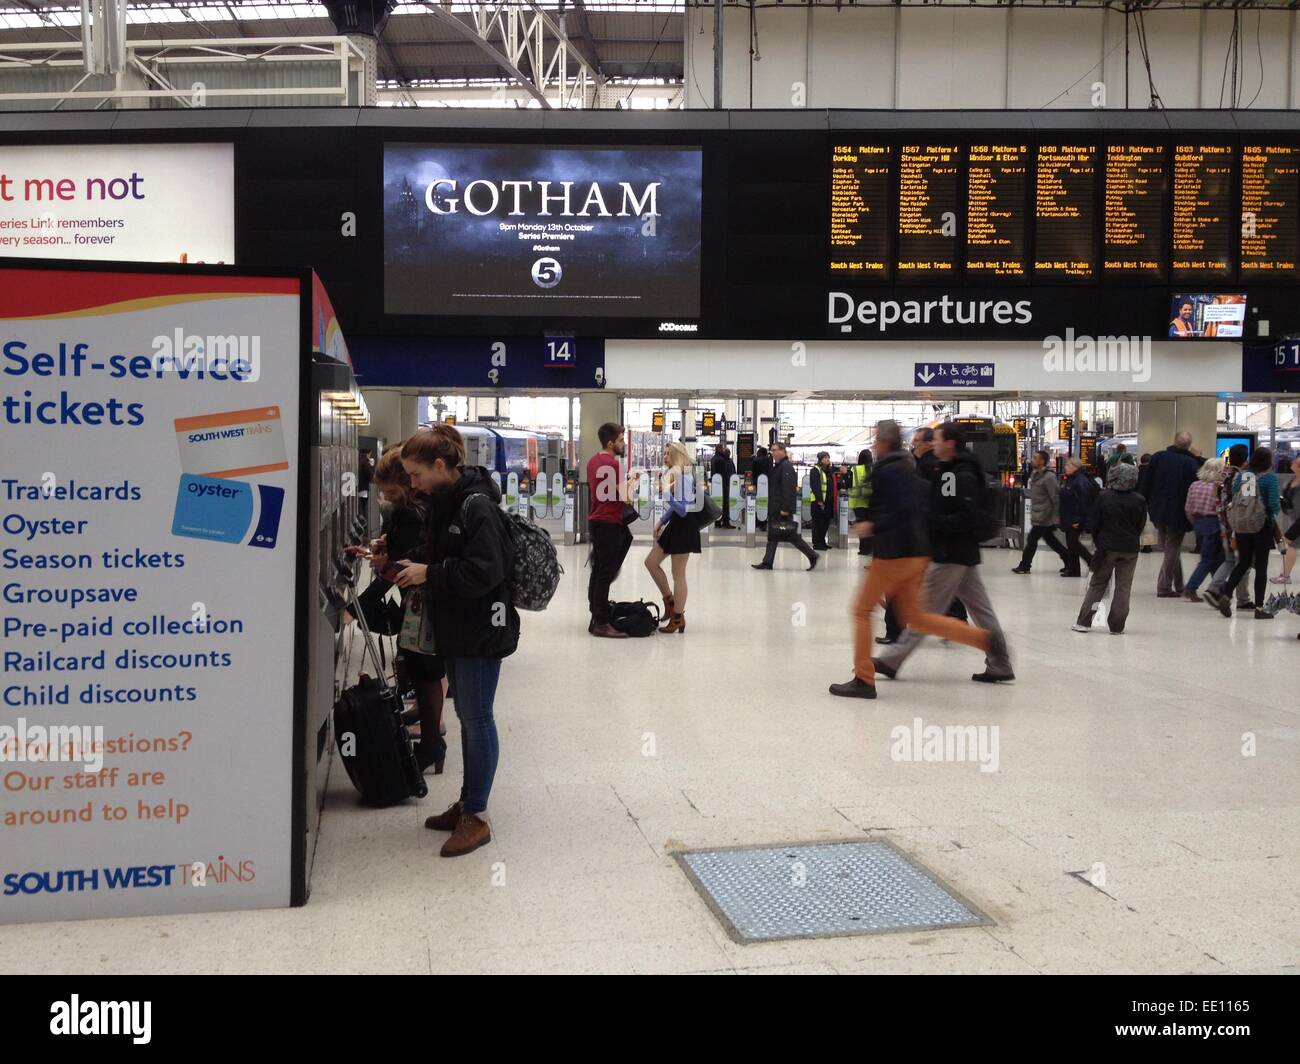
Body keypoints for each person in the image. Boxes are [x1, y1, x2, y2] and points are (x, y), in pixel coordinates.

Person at [395, 425, 520, 859]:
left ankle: (478, 817)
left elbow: (485, 571)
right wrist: (410, 564)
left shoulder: (476, 506)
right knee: (468, 716)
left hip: (482, 629)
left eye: (416, 474)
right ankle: (468, 801)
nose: (412, 483)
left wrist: (430, 573)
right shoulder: (446, 503)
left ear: (440, 466)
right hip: (460, 627)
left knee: (477, 718)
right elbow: (450, 559)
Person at [829, 420, 1003, 700]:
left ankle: (863, 678)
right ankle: (982, 638)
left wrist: (872, 526)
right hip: (917, 554)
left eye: (876, 440)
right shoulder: (911, 467)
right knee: (915, 617)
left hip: (893, 554)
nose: (874, 445)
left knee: (861, 611)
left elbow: (899, 511)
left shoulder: (888, 470)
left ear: (884, 443)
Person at [872, 421, 1014, 685]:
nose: (933, 444)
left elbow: (963, 515)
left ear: (950, 443)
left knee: (922, 612)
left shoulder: (959, 474)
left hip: (951, 552)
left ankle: (891, 660)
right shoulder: (953, 469)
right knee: (982, 611)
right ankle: (1000, 662)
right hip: (963, 553)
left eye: (936, 439)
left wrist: (932, 523)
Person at [353, 446, 446, 773]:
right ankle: (432, 739)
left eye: (393, 491)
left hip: (423, 600)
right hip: (423, 598)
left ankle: (433, 744)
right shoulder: (417, 510)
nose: (388, 498)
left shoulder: (413, 513)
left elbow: (399, 566)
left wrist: (360, 604)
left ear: (408, 483)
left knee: (425, 670)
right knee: (421, 669)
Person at [1073, 460, 1147, 634]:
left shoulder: (1103, 497)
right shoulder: (1139, 500)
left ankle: (1084, 622)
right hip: (1130, 548)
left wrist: (1099, 540)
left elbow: (1095, 522)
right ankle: (1117, 625)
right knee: (1124, 586)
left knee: (1098, 584)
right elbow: (1140, 524)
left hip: (1106, 547)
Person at [586, 422, 637, 639]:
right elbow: (624, 496)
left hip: (596, 520)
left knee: (598, 570)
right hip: (610, 522)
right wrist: (633, 482)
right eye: (621, 440)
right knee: (606, 572)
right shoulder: (615, 465)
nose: (623, 444)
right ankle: (602, 622)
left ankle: (596, 613)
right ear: (611, 443)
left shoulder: (592, 462)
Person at [1218, 447, 1282, 620]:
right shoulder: (1269, 479)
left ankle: (1226, 594)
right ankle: (1260, 608)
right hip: (1261, 528)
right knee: (1261, 568)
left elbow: (1236, 497)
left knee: (1243, 562)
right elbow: (1274, 505)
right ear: (1268, 461)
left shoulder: (1243, 476)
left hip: (1241, 526)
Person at [645, 440, 699, 633]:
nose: (665, 457)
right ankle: (670, 602)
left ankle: (678, 617)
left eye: (668, 454)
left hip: (684, 527)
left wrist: (667, 494)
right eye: (664, 453)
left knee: (678, 574)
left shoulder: (684, 477)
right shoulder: (676, 475)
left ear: (677, 455)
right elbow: (678, 509)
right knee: (651, 562)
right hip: (676, 525)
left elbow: (684, 510)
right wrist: (661, 521)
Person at [1137, 431, 1199, 596]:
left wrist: (1145, 504)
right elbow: (1192, 490)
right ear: (1189, 445)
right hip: (1178, 513)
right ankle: (1164, 587)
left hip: (1158, 509)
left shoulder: (1158, 457)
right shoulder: (1190, 463)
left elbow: (1146, 482)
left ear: (1174, 441)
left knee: (1171, 548)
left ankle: (1179, 585)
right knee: (1172, 548)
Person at [1202, 445, 1255, 614]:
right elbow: (1248, 502)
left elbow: (1216, 497)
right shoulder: (1246, 477)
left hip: (1223, 523)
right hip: (1239, 525)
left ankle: (1213, 589)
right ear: (1246, 458)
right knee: (1244, 562)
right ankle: (1243, 599)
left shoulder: (1222, 474)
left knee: (1230, 560)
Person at [752, 441, 818, 571]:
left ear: (783, 451)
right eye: (772, 450)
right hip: (776, 507)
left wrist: (785, 509)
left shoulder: (786, 467)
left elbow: (788, 489)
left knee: (791, 536)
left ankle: (812, 555)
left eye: (775, 450)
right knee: (773, 535)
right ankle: (767, 562)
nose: (773, 453)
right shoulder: (779, 466)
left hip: (781, 509)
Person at [1012, 450, 1069, 574]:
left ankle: (1025, 565)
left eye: (1035, 458)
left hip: (1045, 515)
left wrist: (1057, 515)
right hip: (1038, 513)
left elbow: (1055, 496)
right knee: (1051, 540)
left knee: (1032, 540)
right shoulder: (1035, 474)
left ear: (1042, 461)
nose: (1032, 460)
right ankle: (1068, 559)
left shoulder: (1049, 477)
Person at [1183, 457, 1226, 603]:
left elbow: (1188, 508)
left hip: (1199, 523)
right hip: (1214, 523)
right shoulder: (1219, 487)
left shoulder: (1194, 485)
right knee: (1208, 559)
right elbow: (1221, 509)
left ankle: (1218, 589)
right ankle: (1191, 587)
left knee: (1215, 558)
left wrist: (1195, 522)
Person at [1059, 456, 1096, 577]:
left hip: (1076, 517)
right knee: (1071, 543)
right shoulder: (1071, 479)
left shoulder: (1080, 481)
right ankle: (1074, 569)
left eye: (1068, 465)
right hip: (1070, 516)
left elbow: (1084, 501)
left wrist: (1079, 520)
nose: (1065, 467)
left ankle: (1092, 562)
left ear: (1075, 467)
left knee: (1073, 542)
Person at [1270, 453, 1300, 585]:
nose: (1292, 462)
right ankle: (1285, 575)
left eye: (1296, 462)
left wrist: (1290, 533)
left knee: (1292, 545)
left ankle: (1285, 576)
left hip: (1298, 523)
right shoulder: (1293, 480)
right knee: (1292, 546)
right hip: (1294, 520)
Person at [848, 448, 873, 558]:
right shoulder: (874, 469)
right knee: (870, 526)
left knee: (862, 527)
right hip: (871, 502)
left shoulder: (855, 469)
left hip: (858, 502)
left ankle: (863, 549)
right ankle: (871, 549)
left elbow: (849, 484)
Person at [810, 451, 836, 551]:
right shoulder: (815, 470)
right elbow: (815, 486)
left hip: (828, 502)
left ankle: (822, 542)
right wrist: (820, 500)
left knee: (825, 523)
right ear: (820, 459)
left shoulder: (829, 471)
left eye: (828, 458)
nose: (827, 460)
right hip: (818, 502)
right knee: (818, 524)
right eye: (825, 458)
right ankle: (817, 543)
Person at [711, 443, 737, 528]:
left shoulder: (713, 459)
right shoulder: (721, 460)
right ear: (719, 449)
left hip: (715, 485)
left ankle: (717, 522)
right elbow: (724, 473)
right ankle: (726, 523)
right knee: (725, 504)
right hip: (723, 485)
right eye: (722, 448)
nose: (723, 450)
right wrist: (727, 484)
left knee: (717, 504)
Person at [752, 446, 774, 531]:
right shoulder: (769, 460)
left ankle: (757, 521)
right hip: (767, 484)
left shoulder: (756, 460)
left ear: (760, 453)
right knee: (765, 502)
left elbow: (753, 472)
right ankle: (764, 523)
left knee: (757, 502)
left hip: (757, 484)